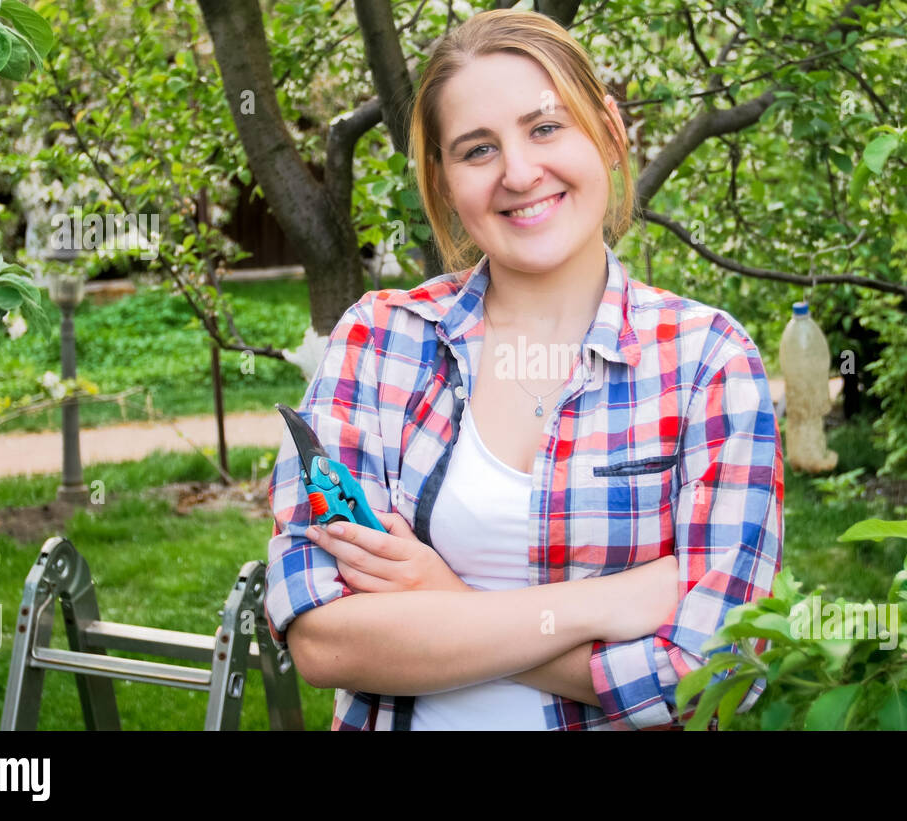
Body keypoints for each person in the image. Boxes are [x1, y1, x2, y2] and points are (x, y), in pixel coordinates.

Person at [264, 8, 783, 731]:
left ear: (606, 129)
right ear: (444, 183)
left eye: (545, 127)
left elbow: (713, 675)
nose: (518, 172)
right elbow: (321, 637)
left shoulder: (709, 363)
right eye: (478, 150)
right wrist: (600, 603)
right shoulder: (380, 341)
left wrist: (444, 600)